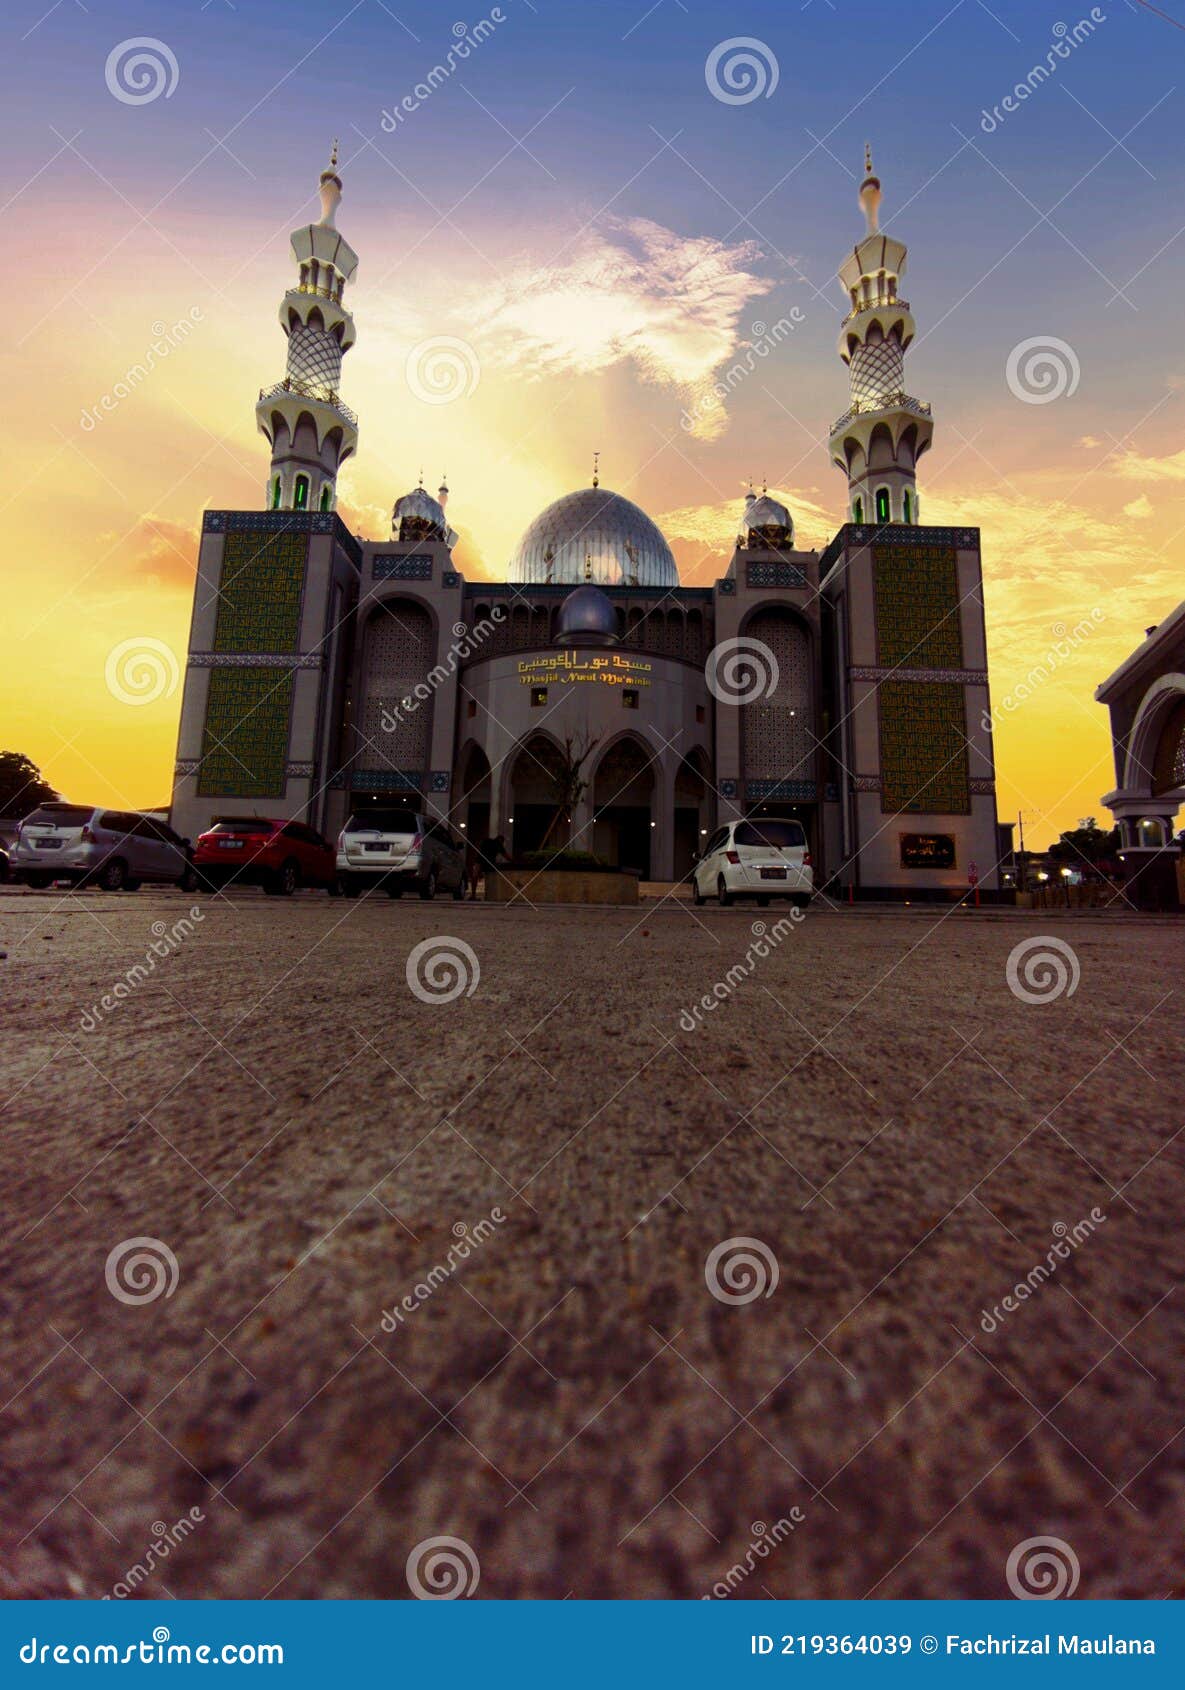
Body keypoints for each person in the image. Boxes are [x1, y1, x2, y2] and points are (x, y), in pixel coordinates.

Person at [466, 832, 509, 899]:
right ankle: (489, 894)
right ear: (501, 841)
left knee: (475, 876)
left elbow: (479, 846)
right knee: (491, 877)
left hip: (480, 860)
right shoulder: (499, 845)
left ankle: (473, 894)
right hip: (488, 862)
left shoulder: (487, 841)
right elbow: (507, 856)